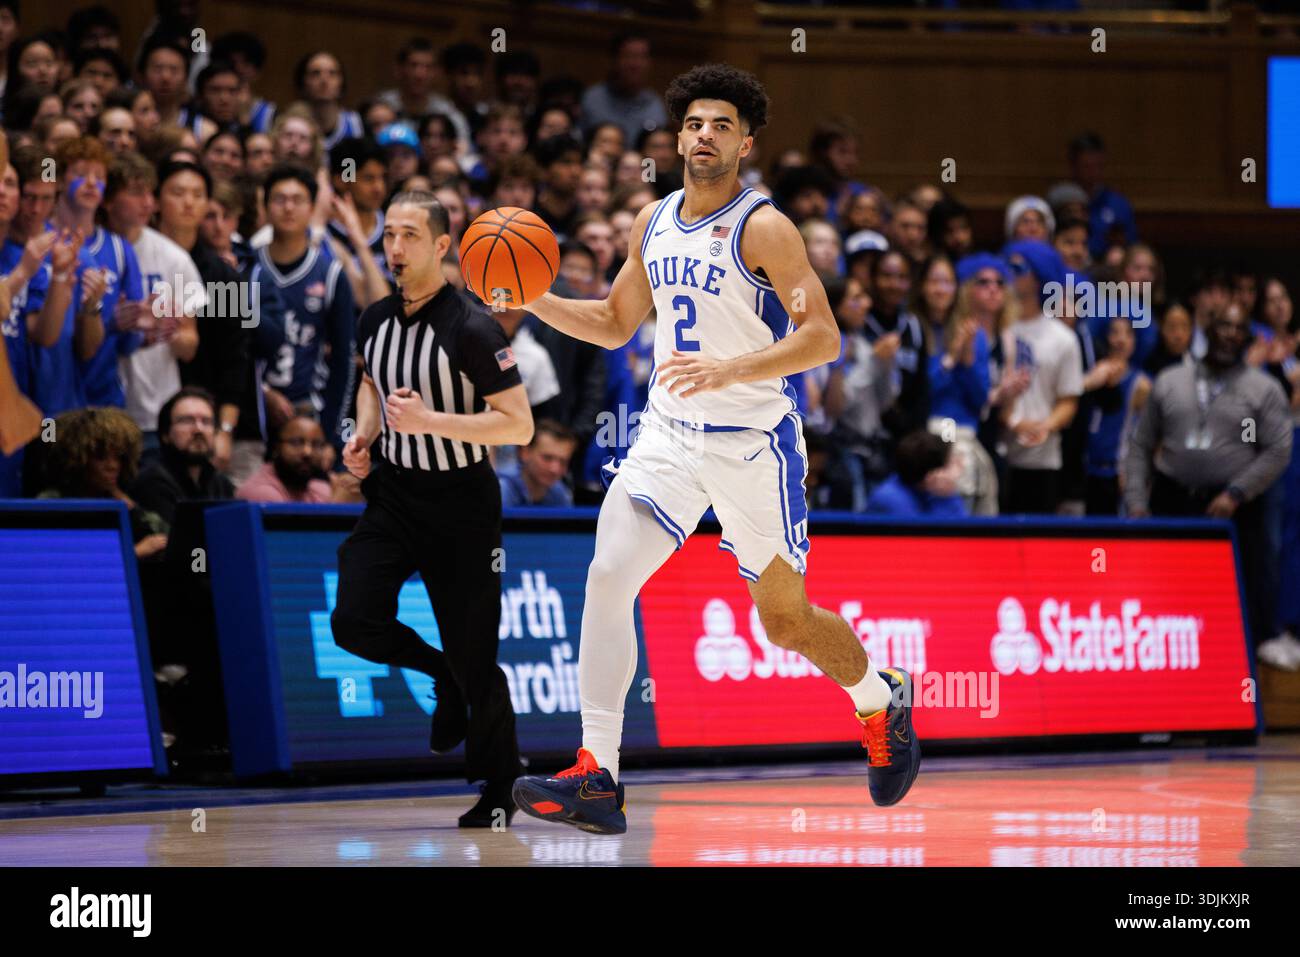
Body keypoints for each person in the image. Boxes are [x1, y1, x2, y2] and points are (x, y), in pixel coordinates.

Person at [512, 64, 921, 834]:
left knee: (785, 623)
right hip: (668, 434)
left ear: (745, 144)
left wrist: (730, 369)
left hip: (753, 445)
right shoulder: (652, 219)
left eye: (722, 126)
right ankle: (598, 773)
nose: (705, 135)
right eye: (695, 123)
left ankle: (879, 696)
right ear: (676, 136)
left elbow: (824, 337)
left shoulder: (764, 227)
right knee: (606, 574)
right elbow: (611, 323)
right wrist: (531, 299)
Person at [330, 190, 532, 827]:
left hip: (463, 505)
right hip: (394, 494)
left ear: (443, 246)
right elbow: (370, 385)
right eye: (388, 233)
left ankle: (500, 788)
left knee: (478, 655)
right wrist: (362, 436)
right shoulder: (374, 320)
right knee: (352, 620)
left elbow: (518, 426)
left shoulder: (472, 327)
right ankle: (437, 672)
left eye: (410, 235)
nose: (395, 247)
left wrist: (431, 421)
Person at [1124, 309, 1292, 669]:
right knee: (1167, 607)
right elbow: (1140, 445)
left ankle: (1233, 703)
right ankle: (1164, 701)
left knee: (1230, 609)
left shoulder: (1262, 389)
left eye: (1239, 328)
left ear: (1247, 336)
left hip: (1234, 510)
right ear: (1208, 329)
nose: (1230, 334)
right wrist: (1137, 502)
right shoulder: (1170, 381)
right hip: (1171, 503)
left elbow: (1278, 448)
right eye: (1223, 326)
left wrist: (1237, 492)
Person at [103, 150, 201, 458]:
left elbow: (190, 345)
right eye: (135, 193)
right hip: (99, 405)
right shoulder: (90, 249)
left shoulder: (174, 258)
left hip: (154, 414)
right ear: (108, 200)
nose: (148, 202)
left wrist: (167, 329)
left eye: (150, 192)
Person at [256, 165, 356, 455]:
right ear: (265, 206)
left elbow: (344, 360)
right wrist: (262, 393)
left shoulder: (332, 274)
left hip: (308, 411)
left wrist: (330, 432)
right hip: (254, 410)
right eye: (279, 199)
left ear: (312, 207)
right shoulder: (245, 269)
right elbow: (235, 348)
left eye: (297, 200)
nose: (288, 207)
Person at [999, 240, 1083, 514]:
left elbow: (1069, 400)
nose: (1009, 273)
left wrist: (1044, 427)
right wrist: (1010, 421)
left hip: (1043, 460)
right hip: (996, 452)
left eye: (1018, 268)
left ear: (1039, 275)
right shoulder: (993, 329)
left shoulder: (1064, 339)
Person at [130, 386, 236, 526]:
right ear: (165, 435)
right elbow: (178, 544)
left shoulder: (221, 483)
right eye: (187, 421)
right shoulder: (152, 482)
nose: (198, 429)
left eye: (206, 421)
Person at [579, 33, 668, 145]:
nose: (635, 64)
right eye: (629, 56)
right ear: (614, 60)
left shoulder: (654, 105)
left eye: (642, 57)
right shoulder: (592, 100)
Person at [866, 430, 967, 519]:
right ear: (932, 475)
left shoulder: (933, 491)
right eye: (949, 463)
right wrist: (945, 499)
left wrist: (947, 494)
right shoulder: (890, 499)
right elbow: (946, 534)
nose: (960, 466)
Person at [236, 414, 333, 503]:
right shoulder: (261, 492)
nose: (308, 452)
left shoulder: (320, 490)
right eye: (296, 443)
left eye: (316, 445)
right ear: (276, 448)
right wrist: (336, 502)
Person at [498, 419, 577, 507]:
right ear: (525, 452)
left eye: (563, 461)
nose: (554, 469)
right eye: (547, 458)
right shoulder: (501, 490)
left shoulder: (560, 493)